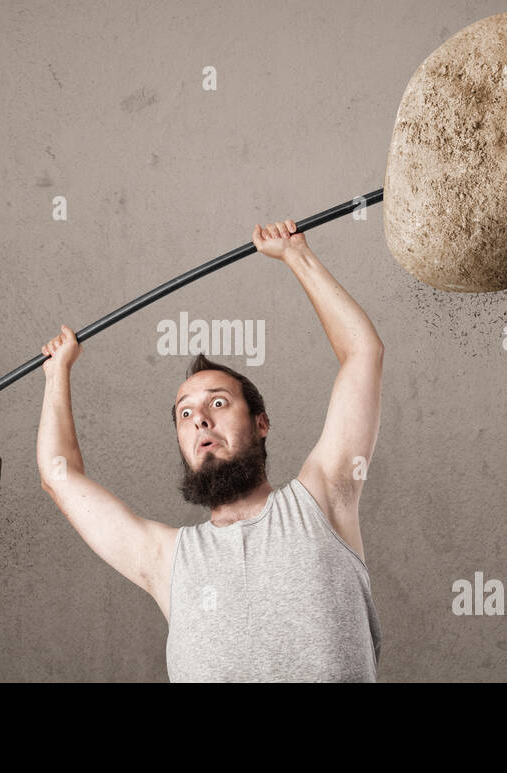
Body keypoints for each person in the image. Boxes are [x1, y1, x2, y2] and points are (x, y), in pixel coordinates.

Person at [37, 219, 384, 681]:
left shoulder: (323, 500)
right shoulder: (166, 560)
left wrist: (297, 255)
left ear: (260, 423)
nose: (200, 418)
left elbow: (362, 353)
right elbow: (59, 477)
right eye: (185, 413)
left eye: (218, 403)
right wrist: (56, 373)